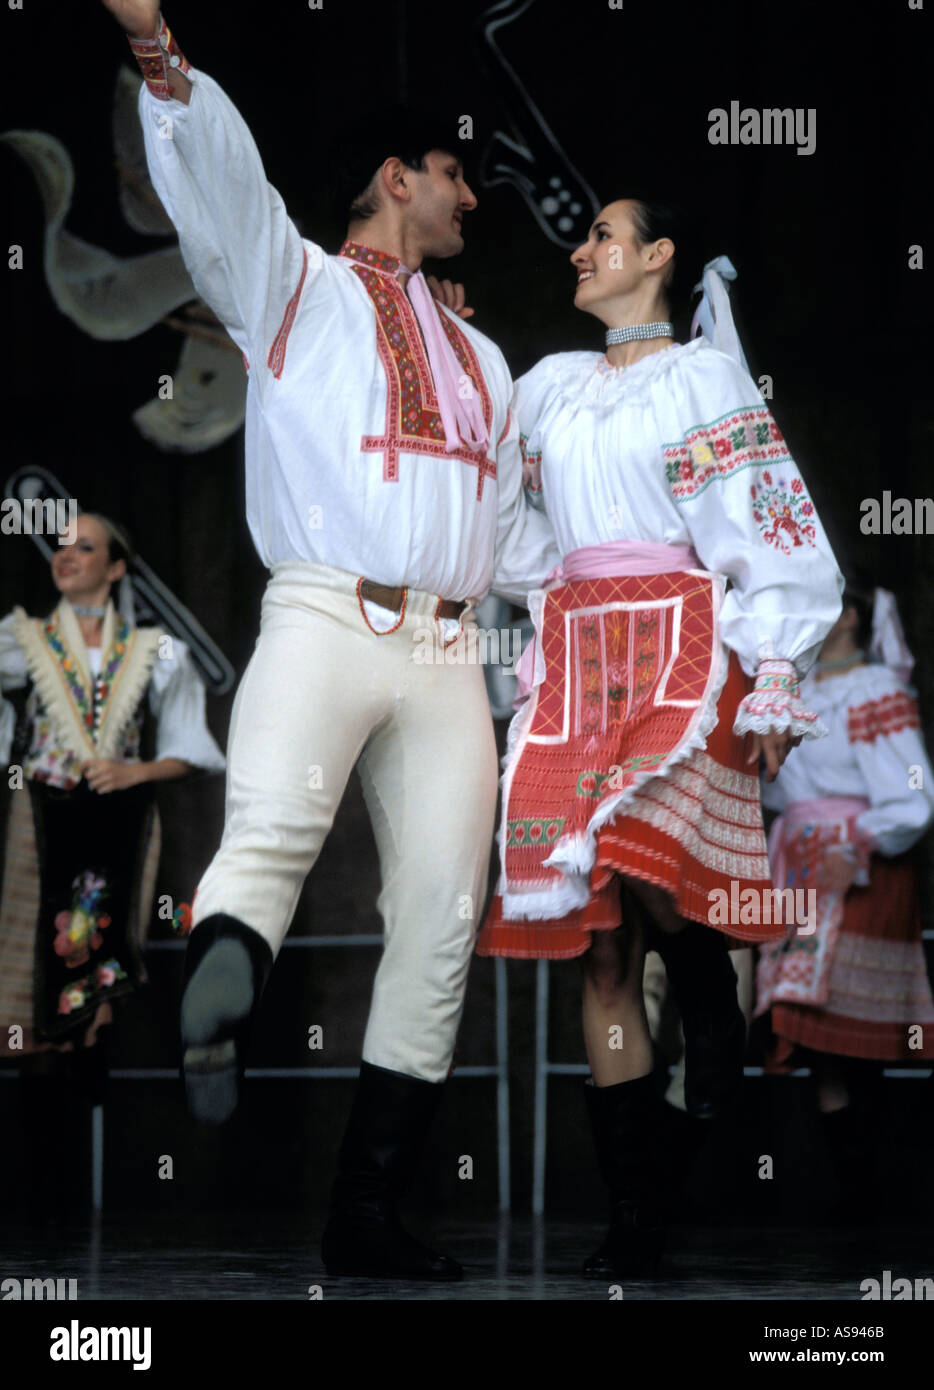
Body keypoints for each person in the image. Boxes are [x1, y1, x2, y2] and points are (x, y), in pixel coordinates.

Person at [100, 1, 558, 1281]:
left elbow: (514, 532)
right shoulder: (287, 281)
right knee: (271, 834)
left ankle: (363, 1211)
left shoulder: (483, 354)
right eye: (456, 173)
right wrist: (157, 49)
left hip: (447, 653)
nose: (473, 194)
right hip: (322, 612)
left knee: (441, 910)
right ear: (396, 181)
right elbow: (224, 188)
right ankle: (217, 1003)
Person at [470, 198, 843, 1274]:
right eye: (580, 245)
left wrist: (773, 668)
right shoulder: (546, 386)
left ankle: (701, 983)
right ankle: (634, 1211)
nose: (580, 253)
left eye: (602, 234)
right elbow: (506, 519)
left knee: (636, 851)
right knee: (597, 957)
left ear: (660, 255)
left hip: (679, 648)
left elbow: (764, 519)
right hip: (576, 656)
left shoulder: (701, 380)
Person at [0, 512, 225, 1217]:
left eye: (85, 547)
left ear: (117, 566)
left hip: (115, 823)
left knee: (91, 967)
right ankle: (43, 1183)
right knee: (30, 974)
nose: (68, 556)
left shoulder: (153, 651)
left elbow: (193, 748)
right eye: (61, 546)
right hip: (38, 819)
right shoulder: (23, 641)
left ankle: (70, 1146)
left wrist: (134, 773)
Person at [755, 586, 934, 1217]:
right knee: (815, 1038)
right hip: (802, 867)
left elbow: (916, 797)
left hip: (858, 868)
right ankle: (860, 1202)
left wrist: (858, 839)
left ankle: (874, 1201)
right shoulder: (790, 691)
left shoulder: (873, 689)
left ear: (851, 616)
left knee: (847, 1037)